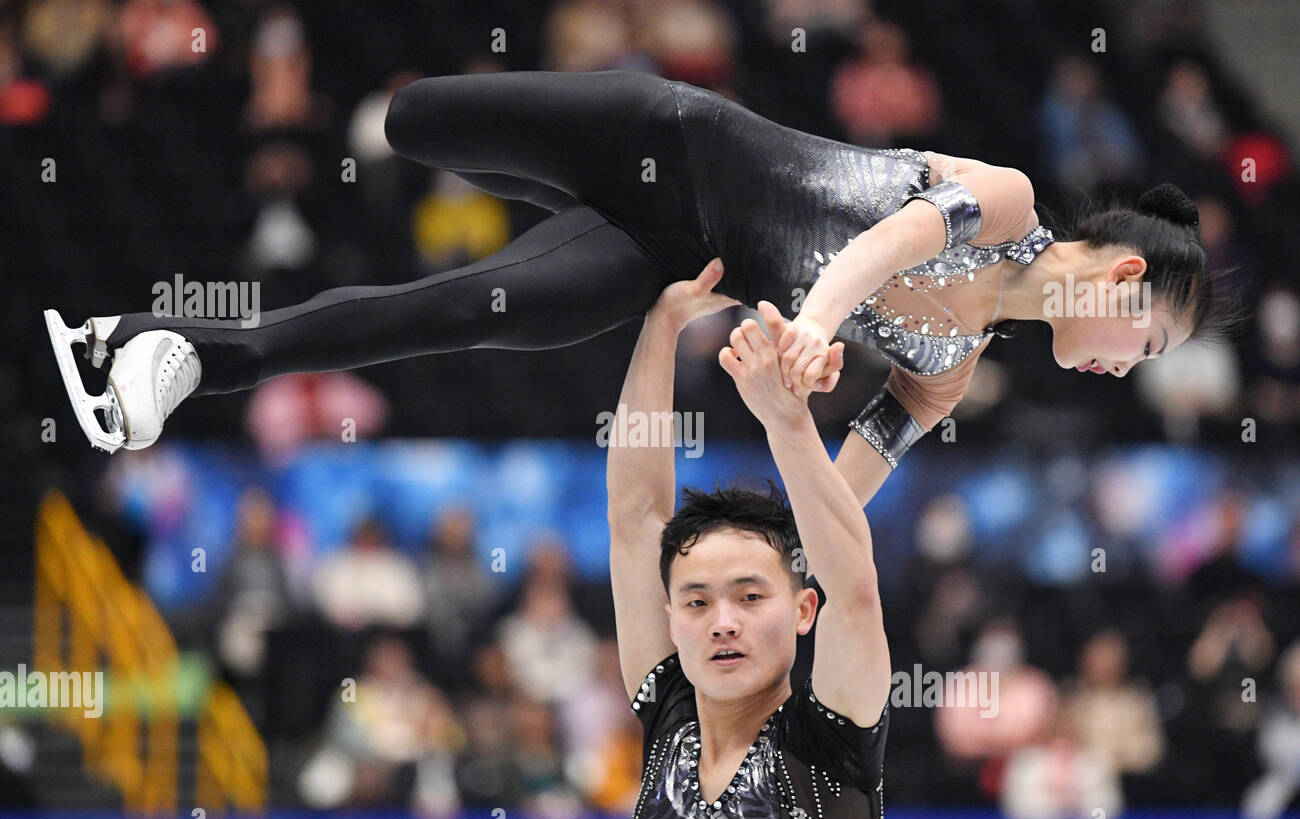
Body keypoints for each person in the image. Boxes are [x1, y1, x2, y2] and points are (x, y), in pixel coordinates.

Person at [47, 69, 1237, 480]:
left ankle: (172, 350)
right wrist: (817, 328)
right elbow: (886, 245)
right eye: (1149, 335)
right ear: (1120, 274)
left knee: (469, 314)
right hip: (660, 135)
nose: (1132, 365)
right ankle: (372, 117)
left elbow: (835, 487)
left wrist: (788, 577)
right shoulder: (1016, 201)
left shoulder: (946, 369)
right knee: (410, 123)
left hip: (669, 256)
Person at [610, 261, 891, 819]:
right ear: (670, 618)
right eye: (696, 601)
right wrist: (664, 324)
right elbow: (636, 522)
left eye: (751, 595)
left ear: (803, 608)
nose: (722, 622)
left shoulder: (830, 742)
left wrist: (787, 421)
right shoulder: (670, 718)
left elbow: (856, 592)